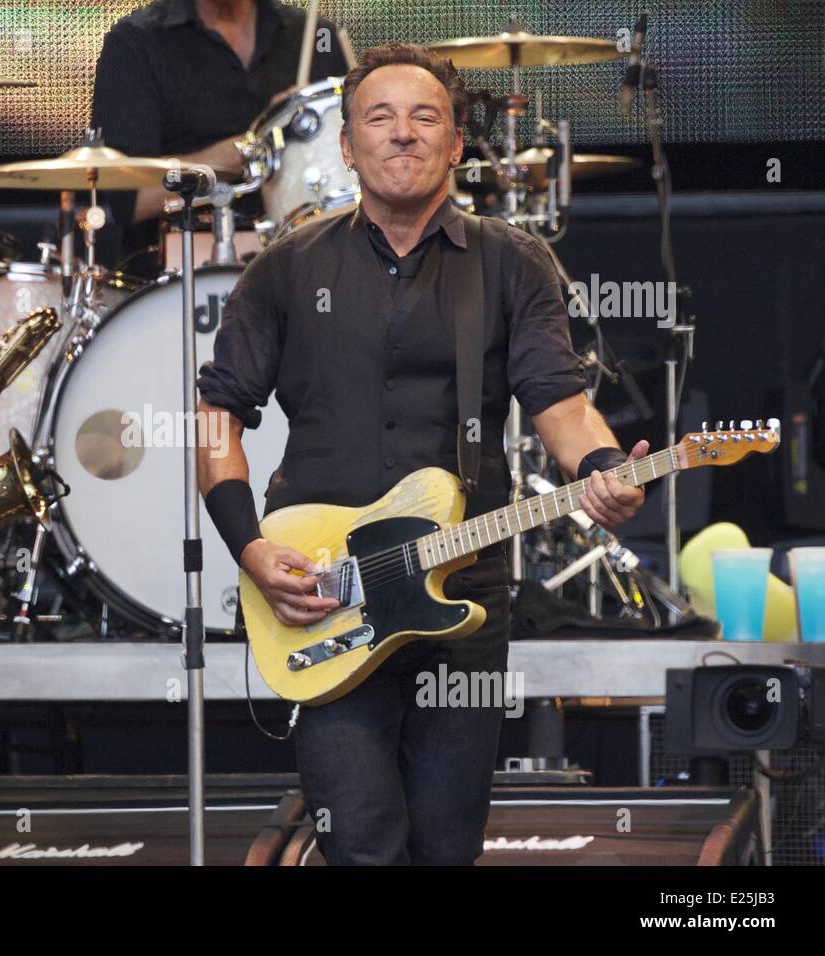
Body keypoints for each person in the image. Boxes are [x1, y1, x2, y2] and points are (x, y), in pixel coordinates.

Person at [196, 43, 648, 865]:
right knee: (361, 844)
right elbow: (216, 415)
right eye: (379, 117)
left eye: (424, 117)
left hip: (461, 588)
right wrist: (250, 548)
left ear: (457, 145)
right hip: (323, 589)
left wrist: (599, 471)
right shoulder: (286, 269)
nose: (402, 134)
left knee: (446, 848)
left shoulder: (512, 262)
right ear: (345, 146)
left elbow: (561, 403)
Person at [91, 0, 349, 265]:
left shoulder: (317, 35)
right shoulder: (134, 44)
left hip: (307, 259)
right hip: (177, 274)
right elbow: (129, 201)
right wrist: (256, 147)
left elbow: (351, 169)